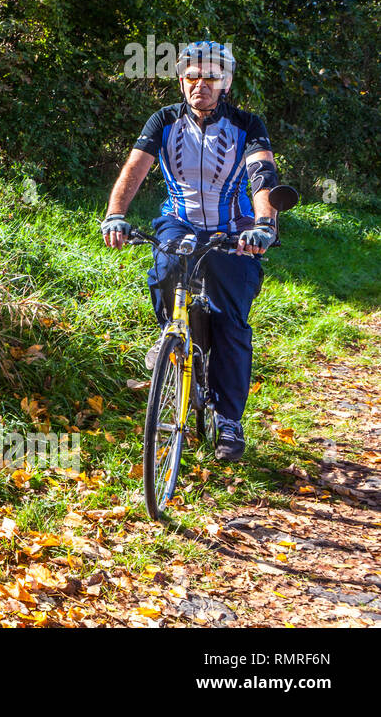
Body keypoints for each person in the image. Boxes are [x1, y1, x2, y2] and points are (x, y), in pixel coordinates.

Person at [99, 41, 281, 462]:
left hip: (233, 228)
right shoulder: (164, 120)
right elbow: (135, 168)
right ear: (181, 80)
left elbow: (262, 174)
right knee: (165, 268)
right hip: (179, 221)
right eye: (193, 76)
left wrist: (264, 225)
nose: (202, 83)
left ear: (226, 82)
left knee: (230, 318)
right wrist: (115, 214)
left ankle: (228, 419)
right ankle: (172, 336)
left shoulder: (246, 124)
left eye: (212, 76)